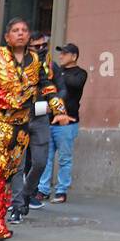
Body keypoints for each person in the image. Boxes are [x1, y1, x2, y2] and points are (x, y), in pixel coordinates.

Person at [0, 19, 69, 239]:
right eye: (15, 31)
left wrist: (59, 110)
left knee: (8, 174)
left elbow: (47, 87)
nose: (20, 34)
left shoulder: (37, 61)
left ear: (28, 37)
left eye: (24, 30)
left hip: (22, 126)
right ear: (7, 36)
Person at [10, 32, 54, 221]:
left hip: (40, 117)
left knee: (40, 162)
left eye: (44, 45)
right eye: (37, 47)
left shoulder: (51, 66)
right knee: (17, 166)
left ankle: (26, 193)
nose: (42, 49)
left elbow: (61, 88)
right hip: (19, 117)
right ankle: (17, 207)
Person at [38, 42, 86, 204]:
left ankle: (61, 190)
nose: (61, 56)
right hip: (49, 120)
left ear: (74, 56)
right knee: (46, 158)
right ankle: (43, 189)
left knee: (65, 158)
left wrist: (57, 75)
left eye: (65, 54)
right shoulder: (54, 73)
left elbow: (73, 84)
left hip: (68, 122)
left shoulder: (80, 73)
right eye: (60, 53)